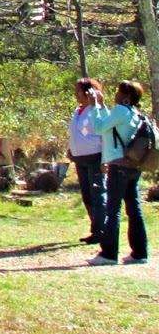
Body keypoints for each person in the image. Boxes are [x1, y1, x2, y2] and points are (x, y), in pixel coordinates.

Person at [87, 80, 150, 266]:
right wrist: (100, 106)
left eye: (119, 92)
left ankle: (108, 253)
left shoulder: (120, 110)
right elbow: (110, 126)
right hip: (133, 167)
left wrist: (93, 107)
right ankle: (139, 253)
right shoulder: (133, 113)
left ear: (127, 96)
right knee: (134, 210)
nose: (115, 95)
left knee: (112, 209)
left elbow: (99, 127)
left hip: (118, 166)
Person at [68, 78, 106, 245]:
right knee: (87, 195)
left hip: (95, 157)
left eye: (79, 91)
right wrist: (71, 149)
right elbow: (76, 132)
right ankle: (95, 229)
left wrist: (106, 160)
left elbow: (105, 135)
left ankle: (101, 231)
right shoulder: (78, 111)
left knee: (98, 194)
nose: (76, 94)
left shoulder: (97, 110)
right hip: (80, 158)